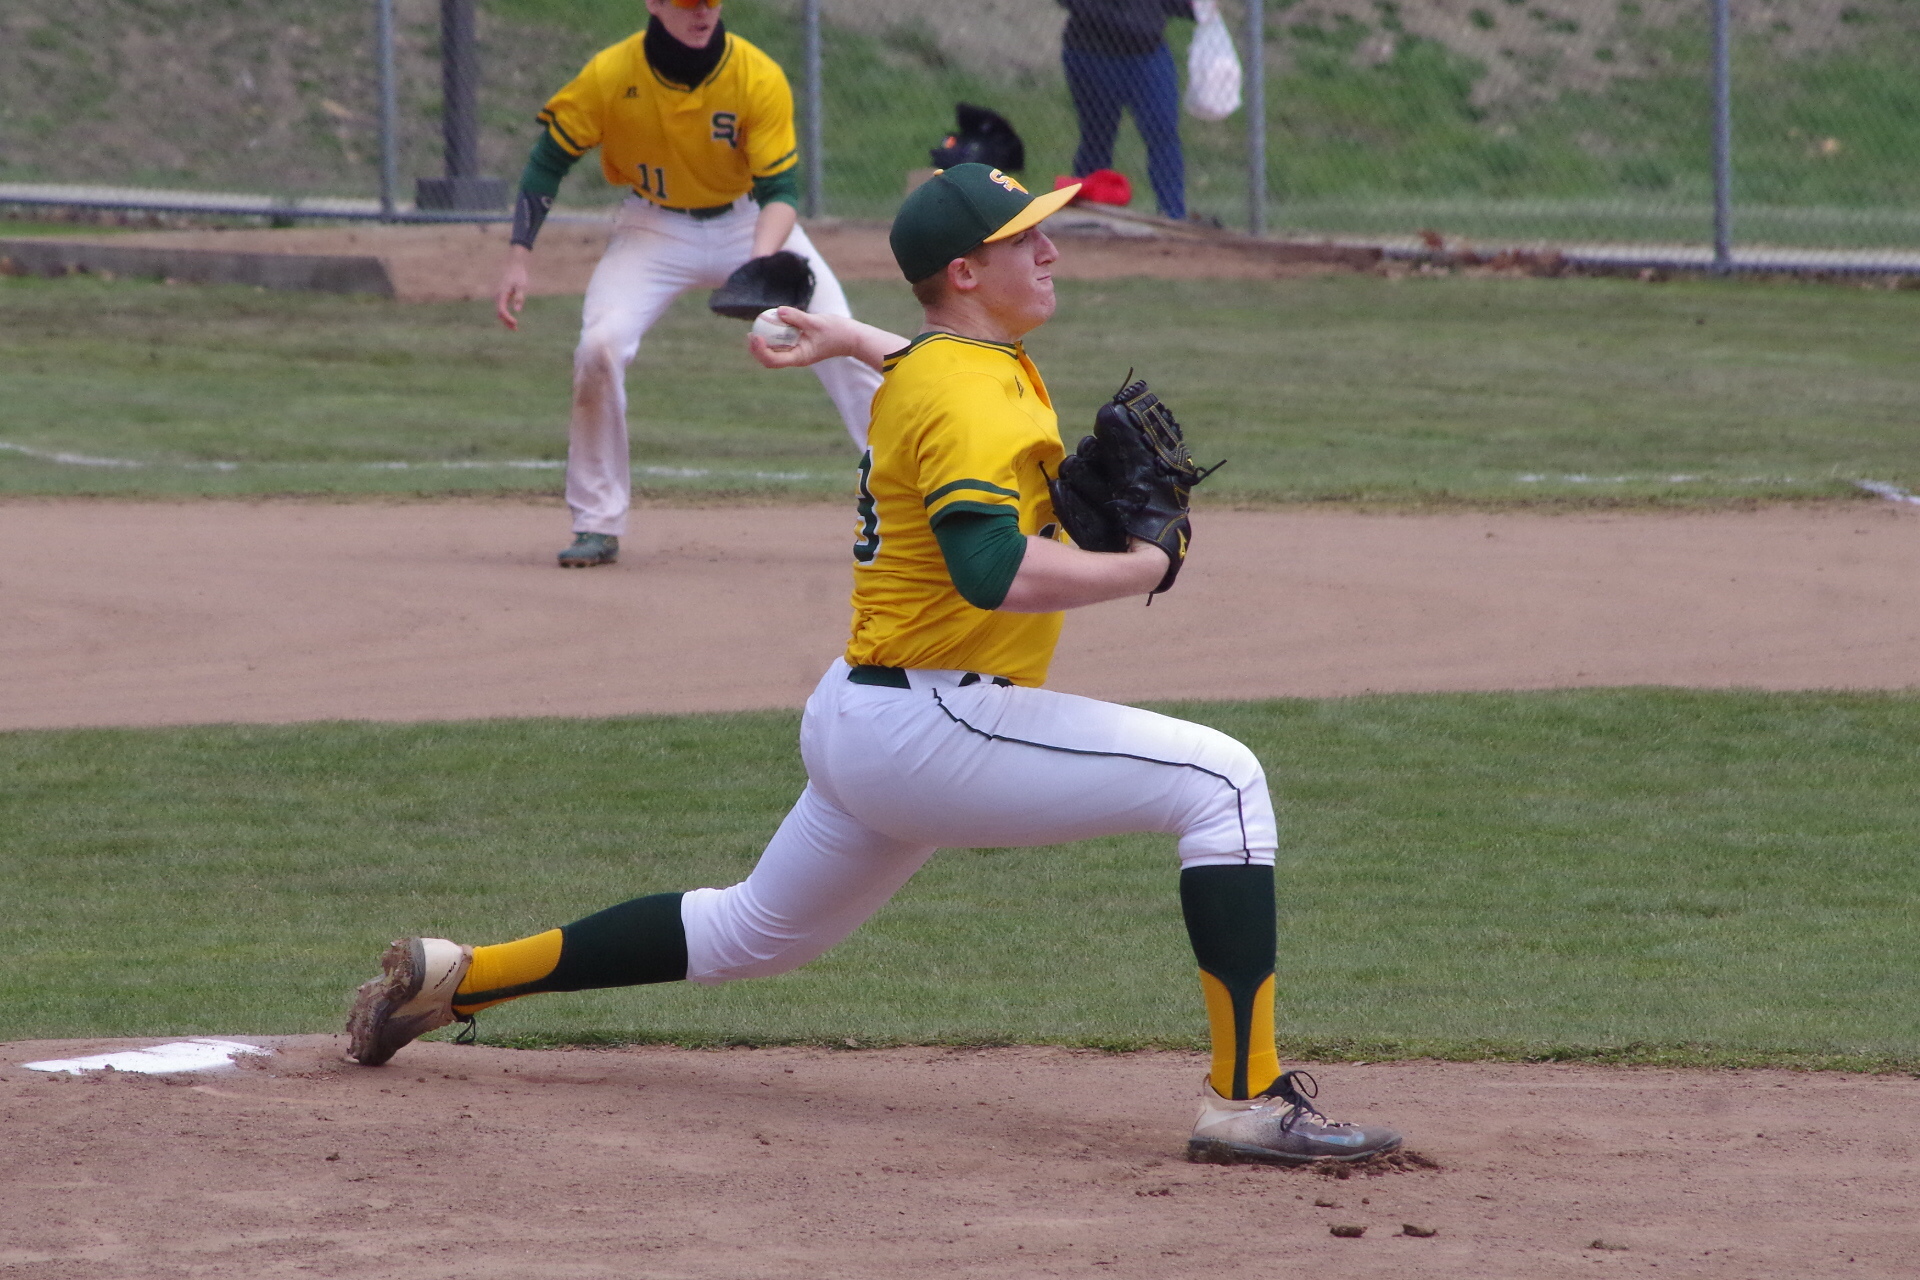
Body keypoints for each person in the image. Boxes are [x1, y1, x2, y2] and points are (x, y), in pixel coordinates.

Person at [349, 163, 1403, 1167]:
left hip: (868, 716)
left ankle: (462, 976)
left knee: (747, 928)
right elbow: (989, 568)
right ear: (965, 274)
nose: (1049, 251)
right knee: (1225, 783)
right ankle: (1249, 1101)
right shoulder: (971, 394)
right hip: (934, 725)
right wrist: (1140, 566)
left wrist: (848, 334)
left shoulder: (948, 363)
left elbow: (921, 363)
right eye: (1022, 238)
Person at [495, 0, 881, 568]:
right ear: (653, 3)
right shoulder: (610, 74)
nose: (702, 11)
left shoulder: (756, 75)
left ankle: (918, 507)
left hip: (750, 220)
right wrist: (517, 258)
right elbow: (548, 161)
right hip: (654, 227)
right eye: (686, 2)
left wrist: (760, 262)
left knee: (847, 344)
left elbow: (782, 193)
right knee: (600, 345)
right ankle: (597, 523)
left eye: (710, 0)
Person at [1057, 0, 1210, 222]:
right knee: (1097, 136)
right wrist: (1125, 20)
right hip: (1092, 52)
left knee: (1163, 133)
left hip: (1148, 52)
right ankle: (1085, 214)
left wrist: (1198, 7)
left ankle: (1173, 214)